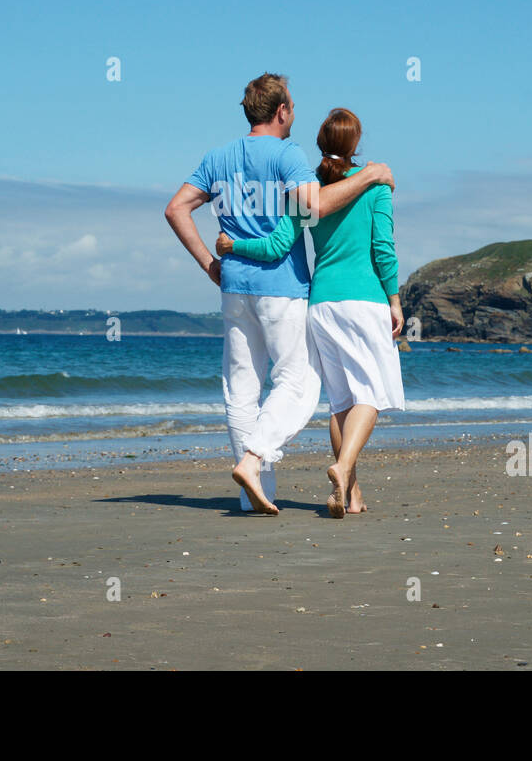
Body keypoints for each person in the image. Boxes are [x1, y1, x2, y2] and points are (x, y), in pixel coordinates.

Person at [164, 76, 395, 514]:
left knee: (241, 390)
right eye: (293, 106)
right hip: (282, 289)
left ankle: (256, 493)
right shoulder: (288, 156)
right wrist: (371, 174)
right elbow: (316, 207)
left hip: (233, 287)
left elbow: (176, 208)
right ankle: (254, 462)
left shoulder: (217, 157)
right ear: (282, 111)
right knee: (300, 383)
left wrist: (210, 265)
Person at [216, 107, 403, 518]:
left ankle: (351, 496)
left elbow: (276, 244)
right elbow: (383, 250)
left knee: (340, 402)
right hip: (364, 300)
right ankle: (342, 466)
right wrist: (394, 299)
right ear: (355, 144)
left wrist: (233, 247)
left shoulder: (308, 191)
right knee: (372, 393)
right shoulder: (376, 186)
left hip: (320, 304)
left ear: (321, 144)